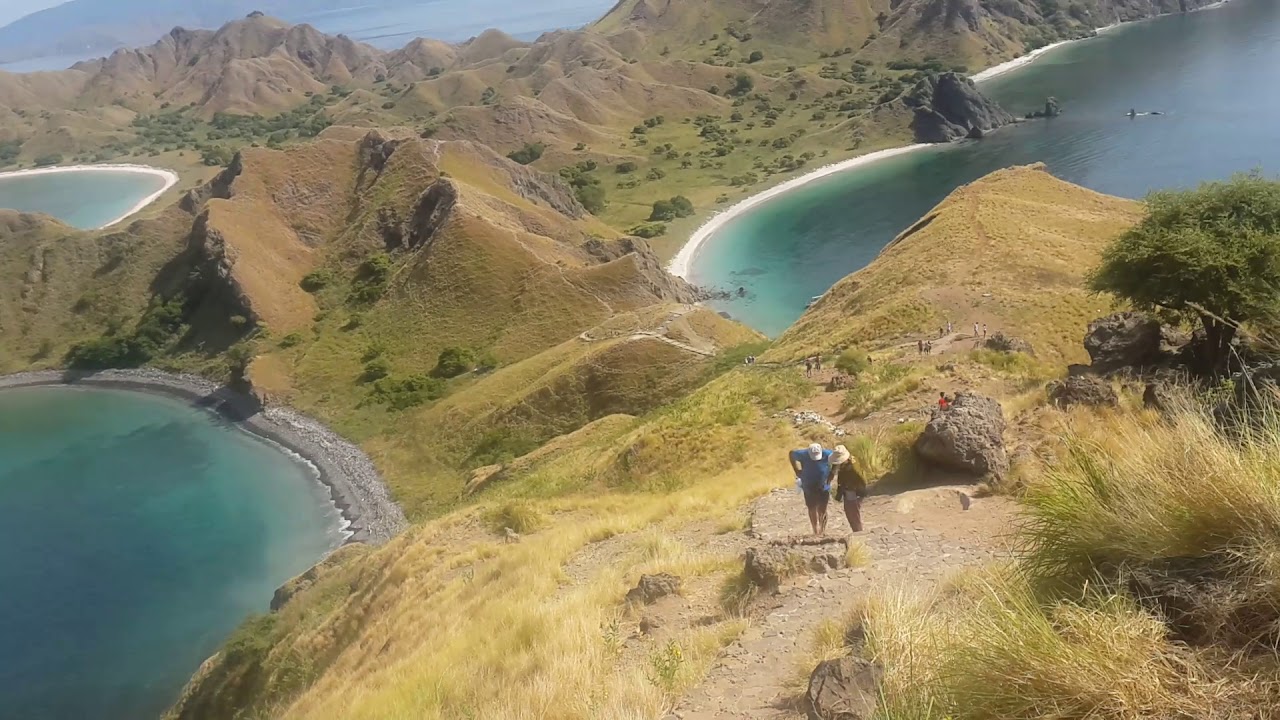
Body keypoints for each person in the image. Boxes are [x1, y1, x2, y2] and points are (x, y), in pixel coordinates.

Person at [789, 443, 832, 536]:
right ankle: (815, 530)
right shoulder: (802, 454)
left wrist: (833, 473)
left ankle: (822, 530)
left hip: (823, 485)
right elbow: (791, 454)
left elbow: (838, 459)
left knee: (822, 509)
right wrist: (796, 469)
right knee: (812, 508)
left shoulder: (828, 454)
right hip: (808, 485)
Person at [829, 445, 866, 533]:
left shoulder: (852, 468)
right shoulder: (847, 463)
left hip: (853, 492)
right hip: (849, 492)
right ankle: (857, 531)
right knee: (850, 514)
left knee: (853, 515)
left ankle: (858, 533)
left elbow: (860, 481)